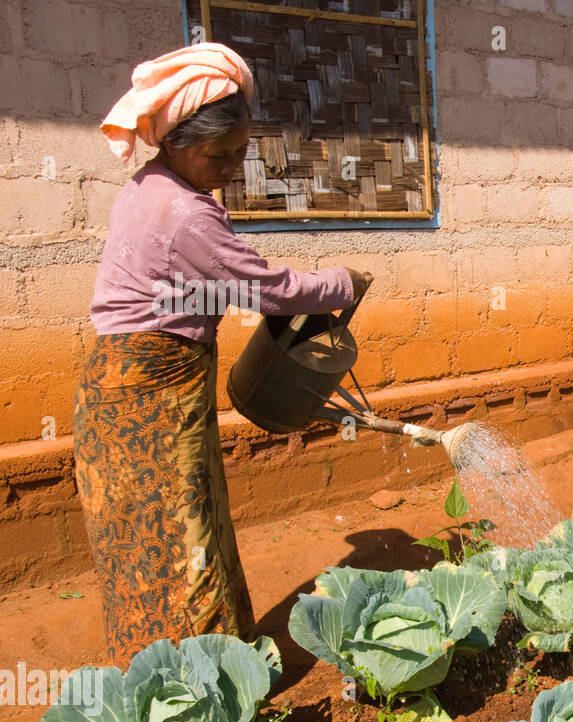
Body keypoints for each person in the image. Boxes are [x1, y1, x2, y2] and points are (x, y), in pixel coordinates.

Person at [78, 43, 370, 663]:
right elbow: (267, 291)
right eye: (220, 155)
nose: (233, 166)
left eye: (241, 151)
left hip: (128, 387)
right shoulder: (185, 213)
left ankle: (184, 668)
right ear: (178, 142)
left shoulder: (150, 185)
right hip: (149, 391)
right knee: (182, 539)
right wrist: (342, 282)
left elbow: (222, 283)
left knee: (156, 533)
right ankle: (201, 682)